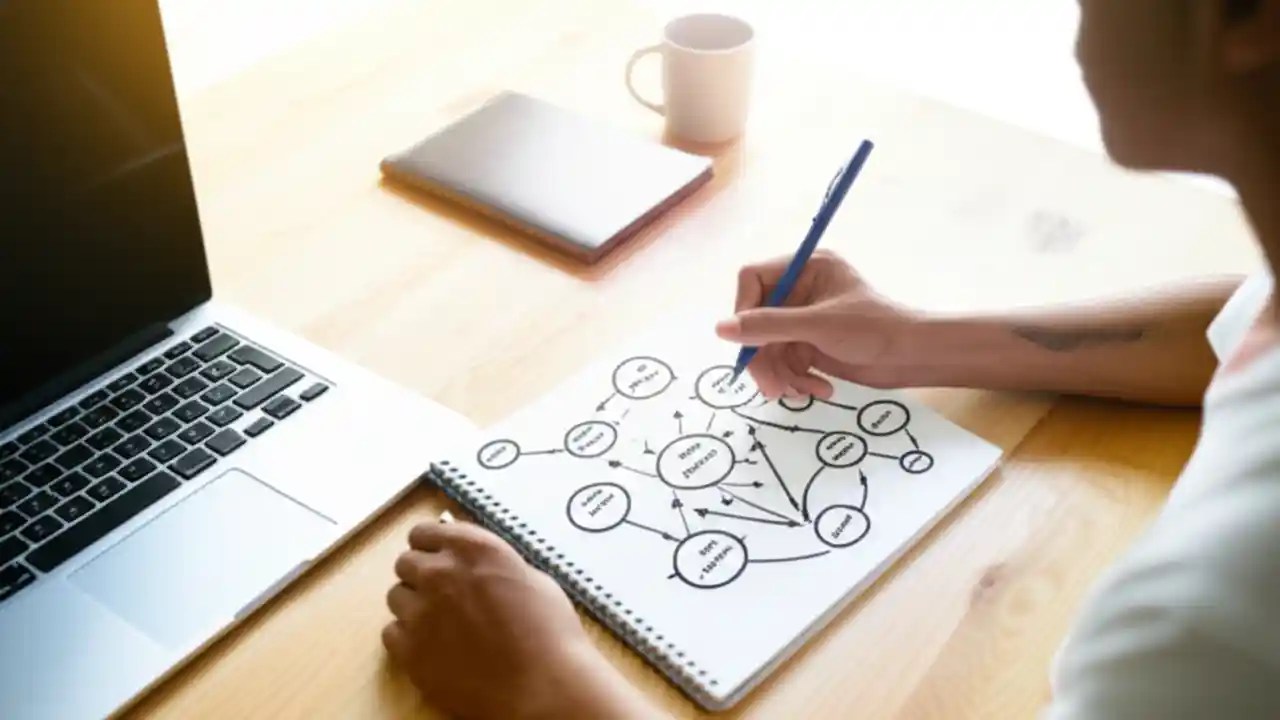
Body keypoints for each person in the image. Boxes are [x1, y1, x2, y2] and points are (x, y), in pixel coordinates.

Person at [379, 0, 1280, 717]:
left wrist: (547, 687)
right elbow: (1239, 317)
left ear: (1248, 21)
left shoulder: (1216, 619)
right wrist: (917, 340)